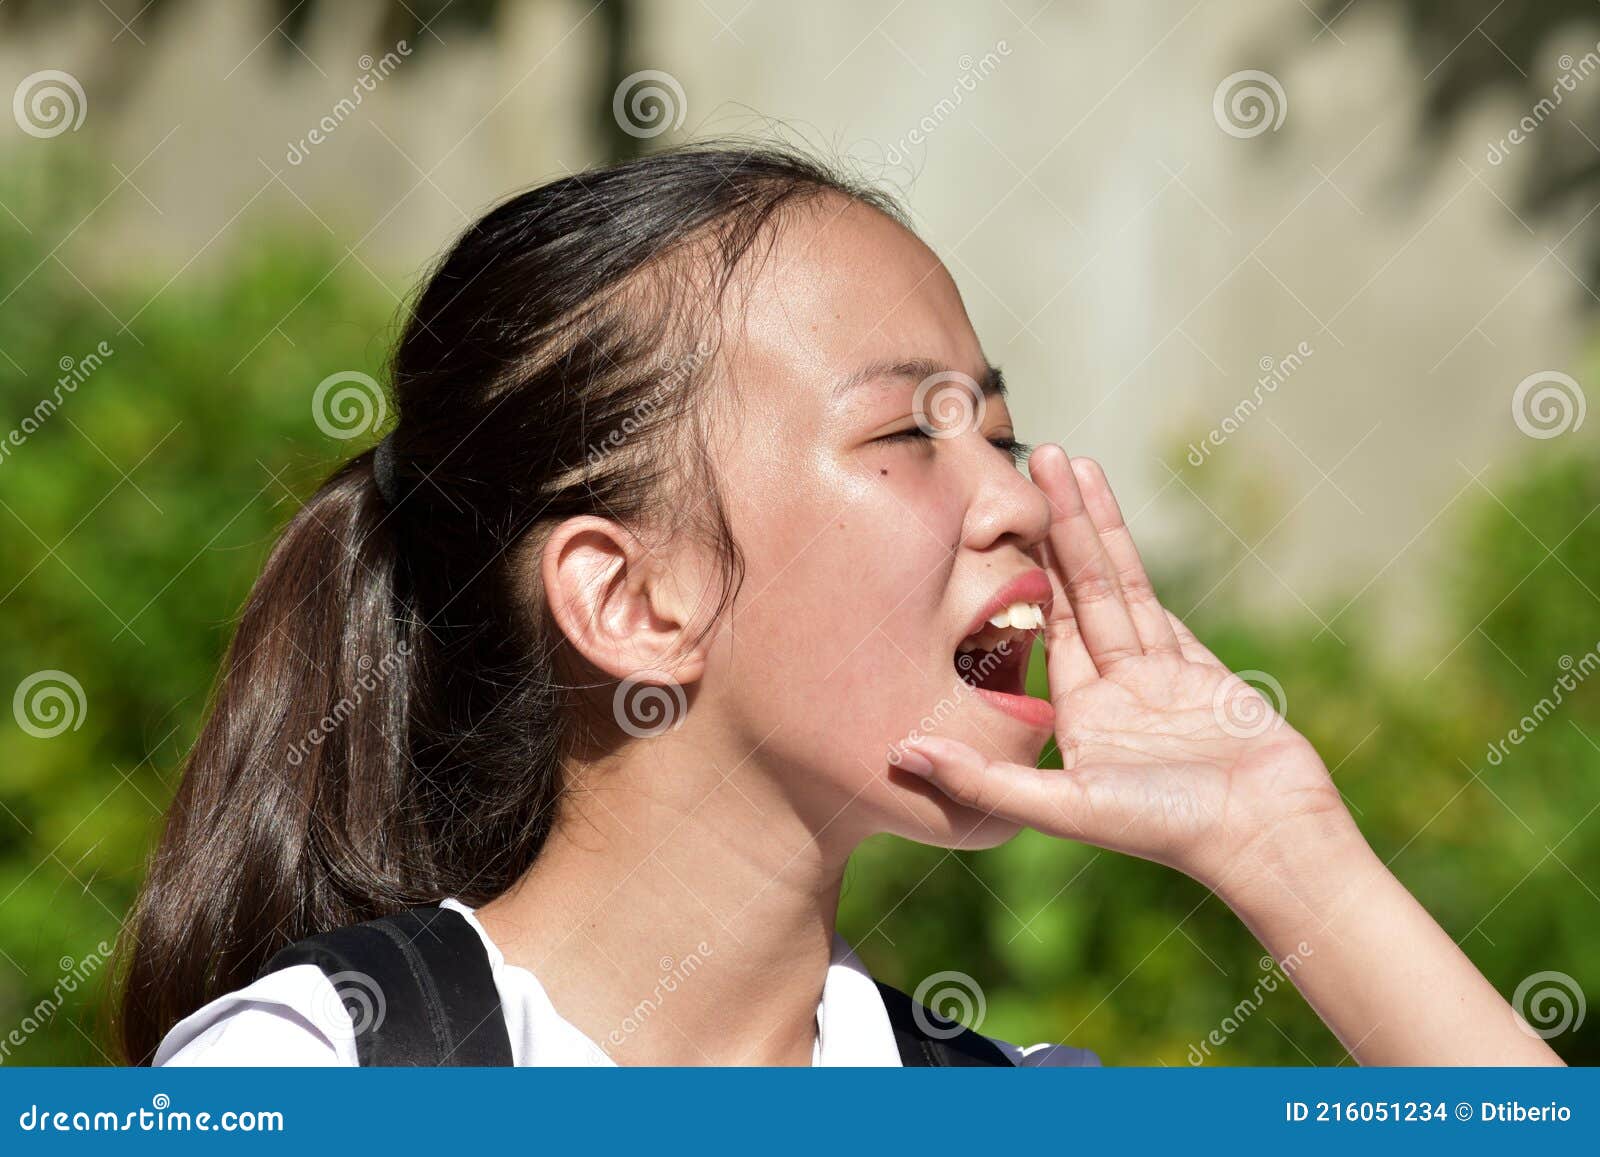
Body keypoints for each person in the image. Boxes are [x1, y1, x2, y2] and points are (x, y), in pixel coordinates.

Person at [116, 143, 1563, 1067]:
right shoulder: (322, 1067)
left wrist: (1287, 850)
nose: (1016, 499)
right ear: (632, 599)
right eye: (904, 439)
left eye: (995, 429)